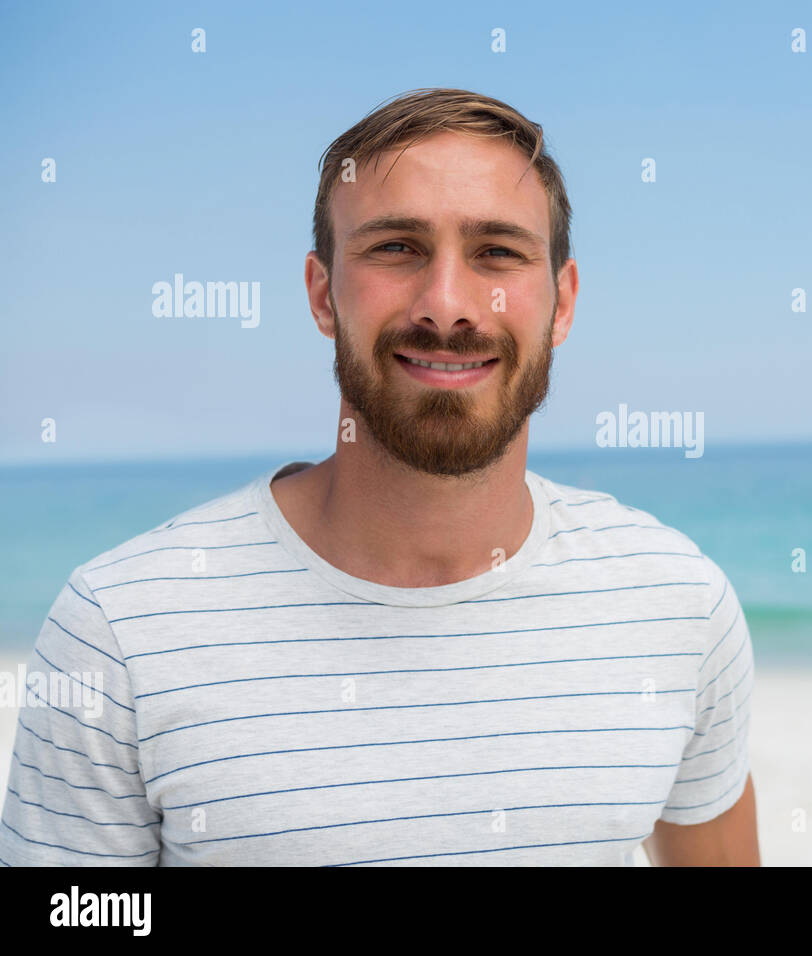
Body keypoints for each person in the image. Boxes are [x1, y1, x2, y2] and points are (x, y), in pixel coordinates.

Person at [0, 88, 758, 867]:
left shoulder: (676, 603)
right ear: (323, 293)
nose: (447, 305)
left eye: (497, 251)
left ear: (561, 302)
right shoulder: (120, 630)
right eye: (396, 248)